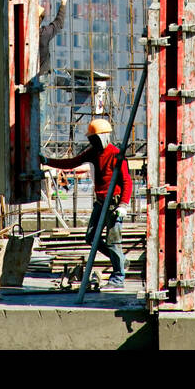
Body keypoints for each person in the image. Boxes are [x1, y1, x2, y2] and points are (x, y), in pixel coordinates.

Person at [39, 118, 132, 290]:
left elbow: (127, 181)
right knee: (91, 237)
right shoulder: (94, 152)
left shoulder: (116, 155)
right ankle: (121, 261)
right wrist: (48, 161)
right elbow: (72, 162)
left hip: (113, 205)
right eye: (91, 139)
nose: (92, 142)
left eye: (94, 139)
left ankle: (118, 277)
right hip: (100, 202)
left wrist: (123, 205)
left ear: (103, 137)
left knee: (113, 242)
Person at [38, 0, 69, 76]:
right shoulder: (42, 34)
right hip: (39, 76)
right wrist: (63, 2)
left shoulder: (21, 32)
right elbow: (59, 23)